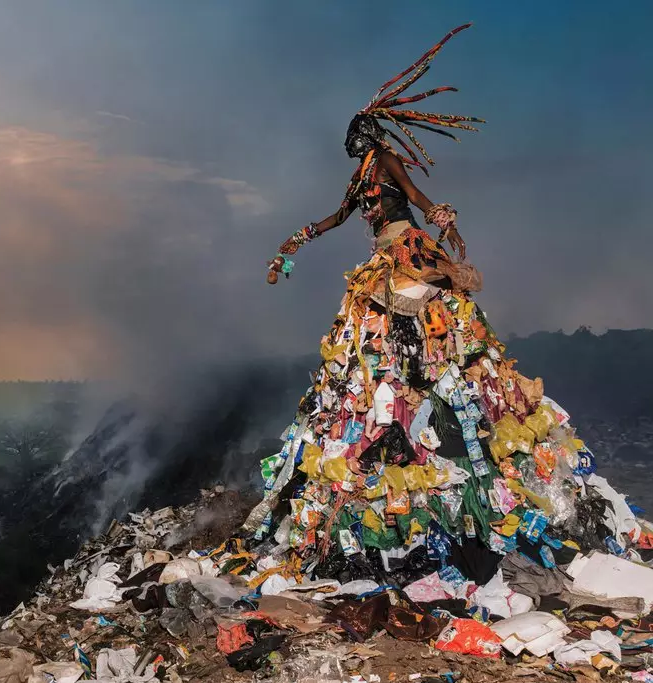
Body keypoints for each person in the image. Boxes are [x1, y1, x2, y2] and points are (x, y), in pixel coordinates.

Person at [244, 24, 636, 562]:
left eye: (354, 133)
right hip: (383, 260)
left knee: (428, 334)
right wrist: (293, 244)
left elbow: (416, 197)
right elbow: (338, 217)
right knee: (370, 342)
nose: (348, 142)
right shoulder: (359, 178)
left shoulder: (384, 160)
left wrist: (441, 220)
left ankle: (435, 414)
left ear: (368, 130)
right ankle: (395, 418)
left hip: (407, 253)